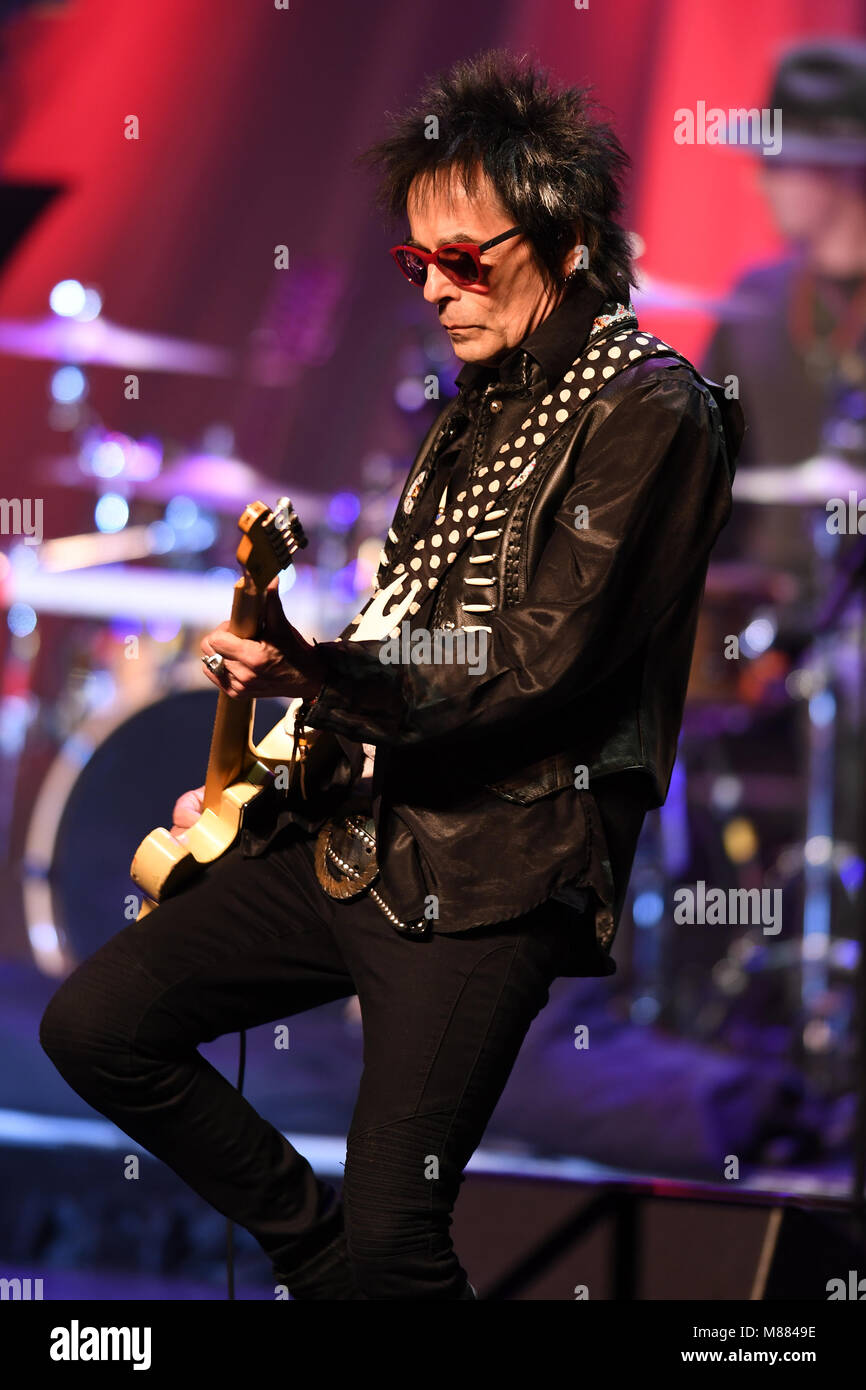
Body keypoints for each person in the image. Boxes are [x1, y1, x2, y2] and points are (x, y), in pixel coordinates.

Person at [39, 50, 743, 1301]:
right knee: (97, 1028)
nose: (436, 289)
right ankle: (314, 1259)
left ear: (564, 239)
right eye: (416, 264)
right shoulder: (470, 409)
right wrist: (269, 783)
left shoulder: (652, 410)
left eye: (466, 258)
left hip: (493, 874)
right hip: (358, 838)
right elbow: (410, 621)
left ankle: (349, 1266)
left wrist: (314, 669)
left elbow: (531, 662)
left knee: (397, 1238)